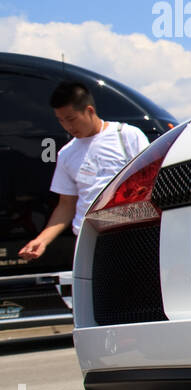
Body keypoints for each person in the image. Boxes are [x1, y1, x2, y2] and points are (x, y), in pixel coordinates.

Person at [17, 82, 150, 262]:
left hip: (128, 234)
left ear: (89, 110)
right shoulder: (66, 153)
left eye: (71, 119)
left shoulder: (127, 136)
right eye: (60, 120)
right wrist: (42, 240)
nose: (67, 126)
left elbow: (150, 184)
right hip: (88, 239)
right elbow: (66, 205)